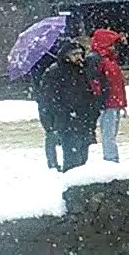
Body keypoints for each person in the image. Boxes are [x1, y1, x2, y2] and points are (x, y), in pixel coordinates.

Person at [40, 42, 101, 171]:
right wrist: (53, 121)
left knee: (83, 157)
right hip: (67, 121)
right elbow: (48, 100)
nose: (79, 57)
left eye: (80, 53)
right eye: (75, 54)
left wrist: (93, 112)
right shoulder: (55, 72)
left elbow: (89, 93)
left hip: (84, 120)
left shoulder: (82, 70)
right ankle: (71, 186)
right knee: (72, 158)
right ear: (66, 56)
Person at [90, 29, 128, 162]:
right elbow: (96, 82)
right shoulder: (98, 60)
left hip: (113, 101)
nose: (113, 47)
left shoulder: (109, 60)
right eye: (111, 44)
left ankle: (112, 158)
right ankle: (111, 159)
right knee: (108, 133)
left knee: (111, 133)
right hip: (108, 102)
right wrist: (101, 100)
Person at [31, 51, 61, 170]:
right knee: (52, 133)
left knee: (51, 133)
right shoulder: (50, 66)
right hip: (49, 102)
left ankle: (52, 162)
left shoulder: (36, 65)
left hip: (45, 102)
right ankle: (53, 163)